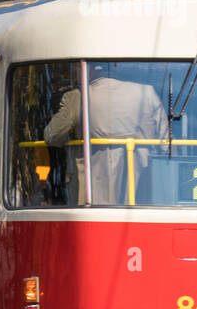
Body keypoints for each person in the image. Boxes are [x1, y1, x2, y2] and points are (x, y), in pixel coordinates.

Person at [45, 64, 168, 204]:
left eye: (74, 69)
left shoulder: (78, 96)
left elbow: (52, 135)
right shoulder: (147, 92)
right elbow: (166, 143)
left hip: (94, 195)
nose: (73, 76)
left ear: (87, 68)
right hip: (147, 190)